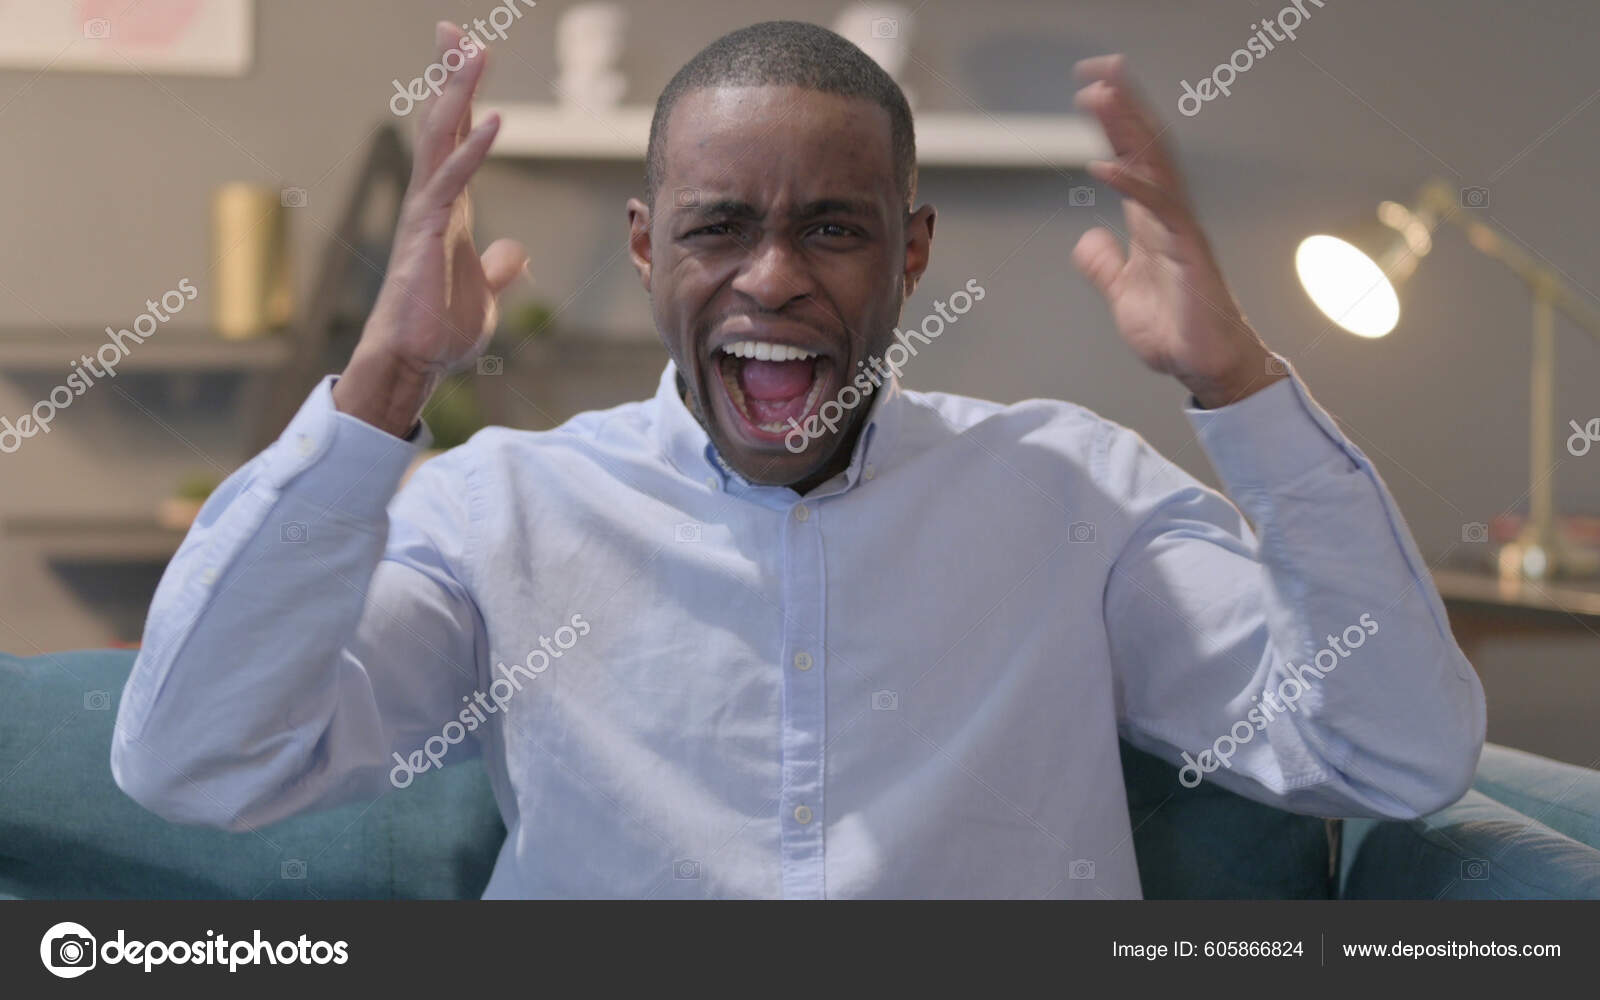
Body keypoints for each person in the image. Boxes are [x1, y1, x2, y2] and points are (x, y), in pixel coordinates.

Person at [112, 20, 1485, 898]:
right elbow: (199, 760)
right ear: (650, 248)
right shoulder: (501, 511)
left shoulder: (1079, 498)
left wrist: (1236, 385)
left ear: (913, 251)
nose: (773, 280)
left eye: (834, 228)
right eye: (720, 229)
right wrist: (387, 379)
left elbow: (1397, 759)